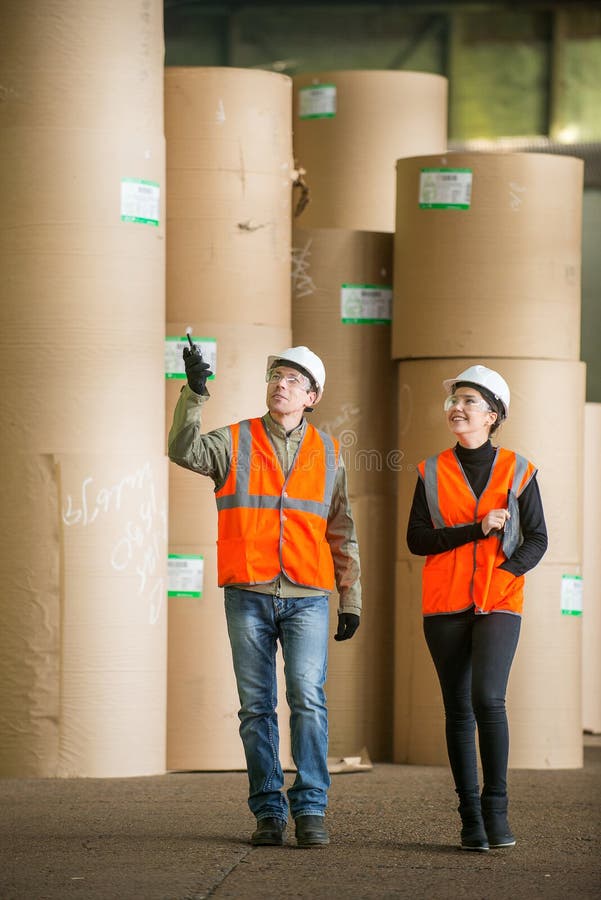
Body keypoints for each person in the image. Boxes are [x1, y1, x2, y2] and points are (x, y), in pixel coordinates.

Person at [168, 343, 362, 849]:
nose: (282, 384)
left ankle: (312, 808)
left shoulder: (330, 452)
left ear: (312, 396)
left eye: (295, 380)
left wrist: (352, 597)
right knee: (256, 708)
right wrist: (194, 392)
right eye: (277, 375)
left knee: (308, 700)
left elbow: (342, 529)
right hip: (248, 592)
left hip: (307, 594)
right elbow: (182, 449)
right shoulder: (234, 440)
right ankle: (269, 812)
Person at [406, 365, 547, 852]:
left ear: (493, 415)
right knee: (458, 709)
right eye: (454, 401)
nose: (457, 408)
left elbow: (538, 540)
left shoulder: (519, 470)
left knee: (488, 698)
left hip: (499, 603)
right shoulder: (429, 471)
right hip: (443, 605)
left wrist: (504, 576)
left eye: (468, 401)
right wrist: (475, 528)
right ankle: (469, 818)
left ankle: (497, 812)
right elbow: (417, 540)